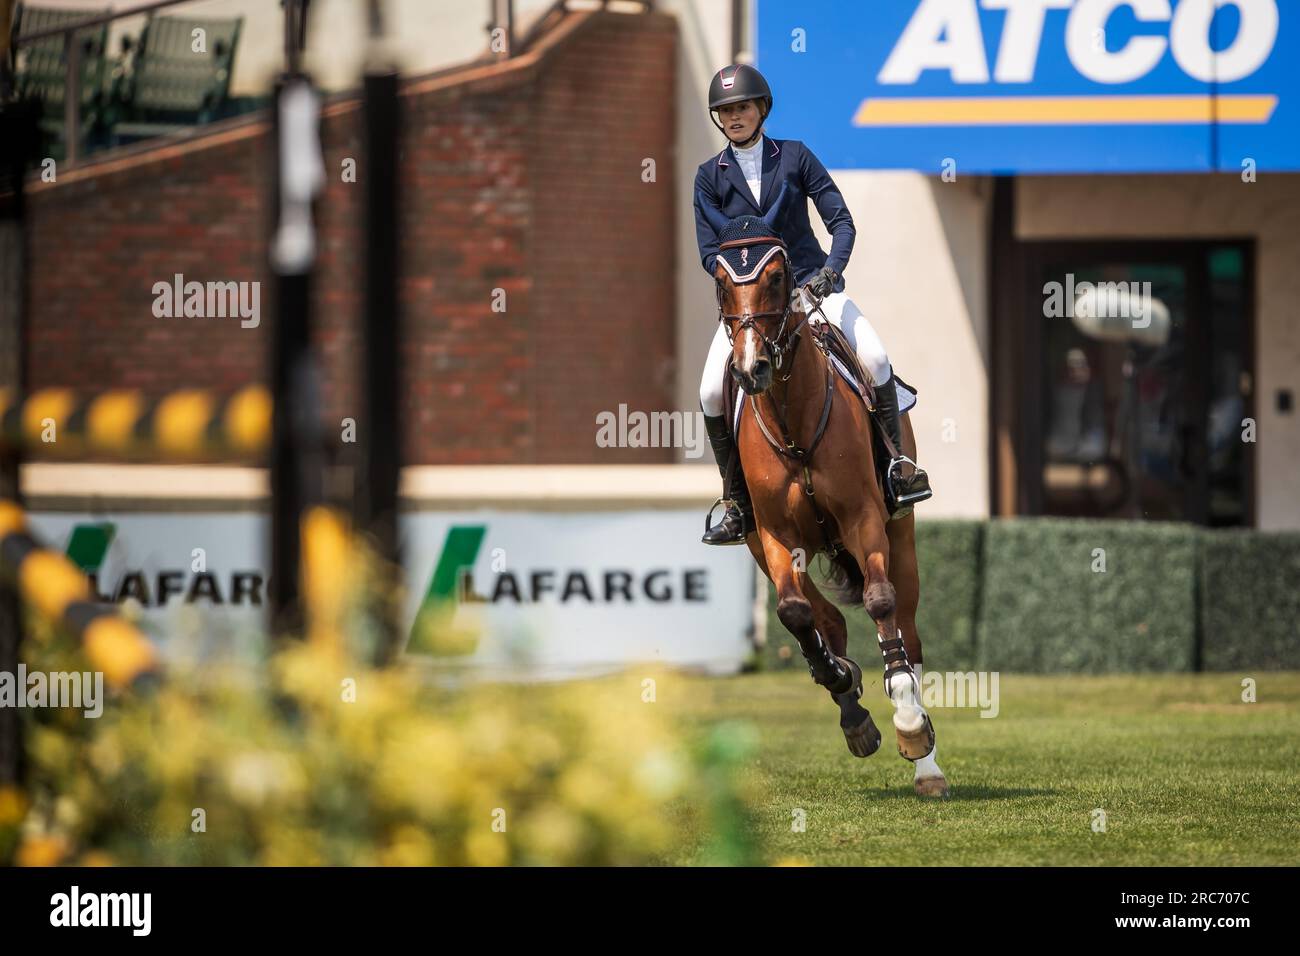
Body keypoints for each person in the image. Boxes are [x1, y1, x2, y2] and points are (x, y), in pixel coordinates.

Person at [695, 63, 931, 546]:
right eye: (726, 111)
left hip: (810, 286)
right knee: (710, 393)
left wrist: (830, 273)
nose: (734, 117)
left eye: (742, 107)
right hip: (753, 308)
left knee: (876, 358)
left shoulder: (796, 158)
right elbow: (707, 252)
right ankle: (736, 501)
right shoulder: (708, 178)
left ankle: (898, 469)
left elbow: (841, 223)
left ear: (761, 108)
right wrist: (744, 292)